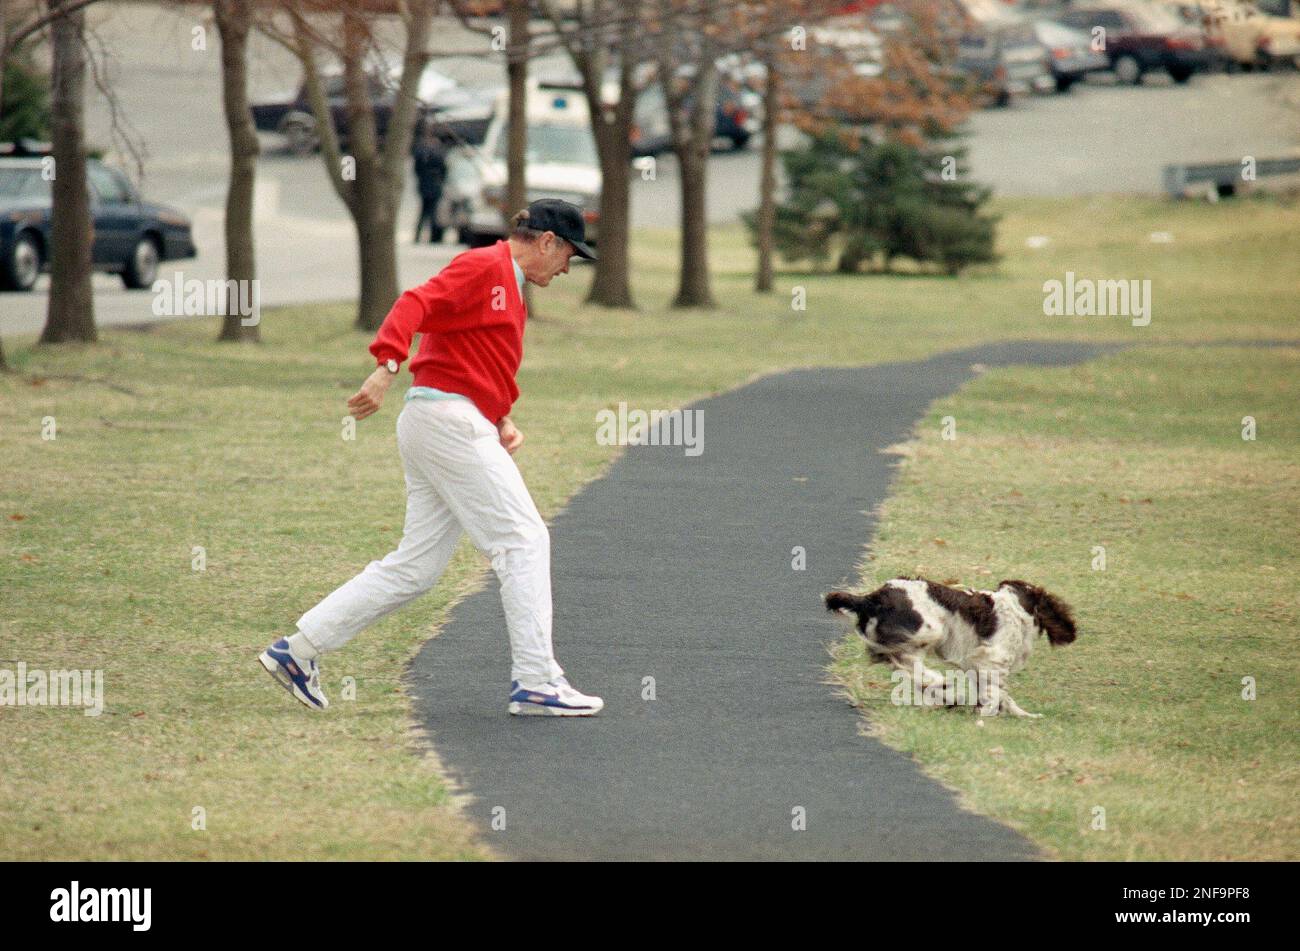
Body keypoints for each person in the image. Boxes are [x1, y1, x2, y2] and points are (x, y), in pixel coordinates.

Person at [259, 199, 603, 717]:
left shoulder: (507, 283)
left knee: (417, 567)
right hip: (446, 422)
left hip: (444, 420)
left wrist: (499, 416)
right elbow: (414, 304)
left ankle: (297, 651)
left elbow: (473, 356)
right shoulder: (484, 265)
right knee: (524, 540)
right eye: (569, 256)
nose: (567, 268)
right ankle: (536, 682)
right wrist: (386, 365)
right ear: (548, 242)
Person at [412, 119, 447, 243]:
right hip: (432, 182)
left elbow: (417, 168)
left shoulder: (422, 148)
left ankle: (423, 236)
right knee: (430, 212)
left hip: (427, 183)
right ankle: (432, 237)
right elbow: (443, 168)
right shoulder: (436, 149)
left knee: (426, 212)